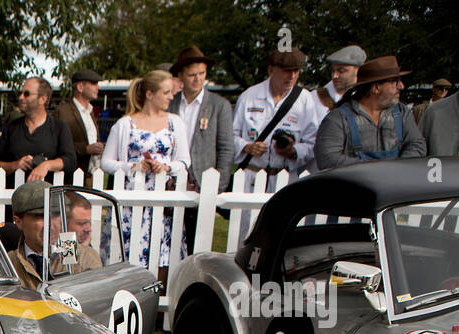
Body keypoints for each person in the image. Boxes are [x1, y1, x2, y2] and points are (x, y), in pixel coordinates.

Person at [102, 70, 190, 270]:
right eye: (166, 92)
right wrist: (132, 166)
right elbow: (106, 163)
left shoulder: (175, 122)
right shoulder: (124, 124)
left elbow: (185, 161)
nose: (171, 96)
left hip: (164, 201)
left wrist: (167, 167)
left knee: (163, 258)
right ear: (150, 94)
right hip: (130, 203)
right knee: (126, 257)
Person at [167, 46, 234, 253]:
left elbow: (226, 148)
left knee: (198, 248)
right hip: (172, 181)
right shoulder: (170, 102)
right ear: (180, 76)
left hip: (203, 183)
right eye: (192, 75)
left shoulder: (219, 105)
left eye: (202, 74)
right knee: (168, 243)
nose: (198, 79)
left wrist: (218, 186)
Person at [316, 57, 426, 168]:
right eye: (395, 81)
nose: (401, 86)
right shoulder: (338, 119)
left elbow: (417, 145)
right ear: (376, 88)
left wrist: (397, 168)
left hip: (396, 183)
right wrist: (374, 169)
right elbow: (326, 159)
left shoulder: (402, 113)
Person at [231, 48, 321, 182]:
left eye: (296, 71)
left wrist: (293, 151)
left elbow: (313, 142)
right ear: (271, 70)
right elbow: (230, 136)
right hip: (250, 177)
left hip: (286, 178)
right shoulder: (249, 96)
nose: (292, 76)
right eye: (287, 71)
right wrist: (247, 147)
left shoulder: (305, 100)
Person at [6, 181, 102, 288]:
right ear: (18, 221)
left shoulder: (85, 259)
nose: (50, 225)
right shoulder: (7, 265)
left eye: (56, 214)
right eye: (40, 216)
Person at [0, 77, 77, 181]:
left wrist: (46, 165)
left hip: (48, 193)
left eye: (27, 94)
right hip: (14, 193)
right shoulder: (11, 128)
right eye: (21, 93)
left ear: (43, 98)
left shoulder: (59, 127)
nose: (21, 97)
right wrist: (16, 164)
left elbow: (70, 160)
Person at [56, 68, 105, 177]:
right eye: (93, 83)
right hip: (70, 176)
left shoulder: (90, 111)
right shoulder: (63, 112)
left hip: (90, 175)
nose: (98, 87)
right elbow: (57, 145)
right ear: (80, 87)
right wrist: (86, 149)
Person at [316, 46, 366, 111]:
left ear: (358, 70)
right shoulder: (315, 98)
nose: (335, 76)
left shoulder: (367, 97)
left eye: (341, 71)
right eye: (333, 71)